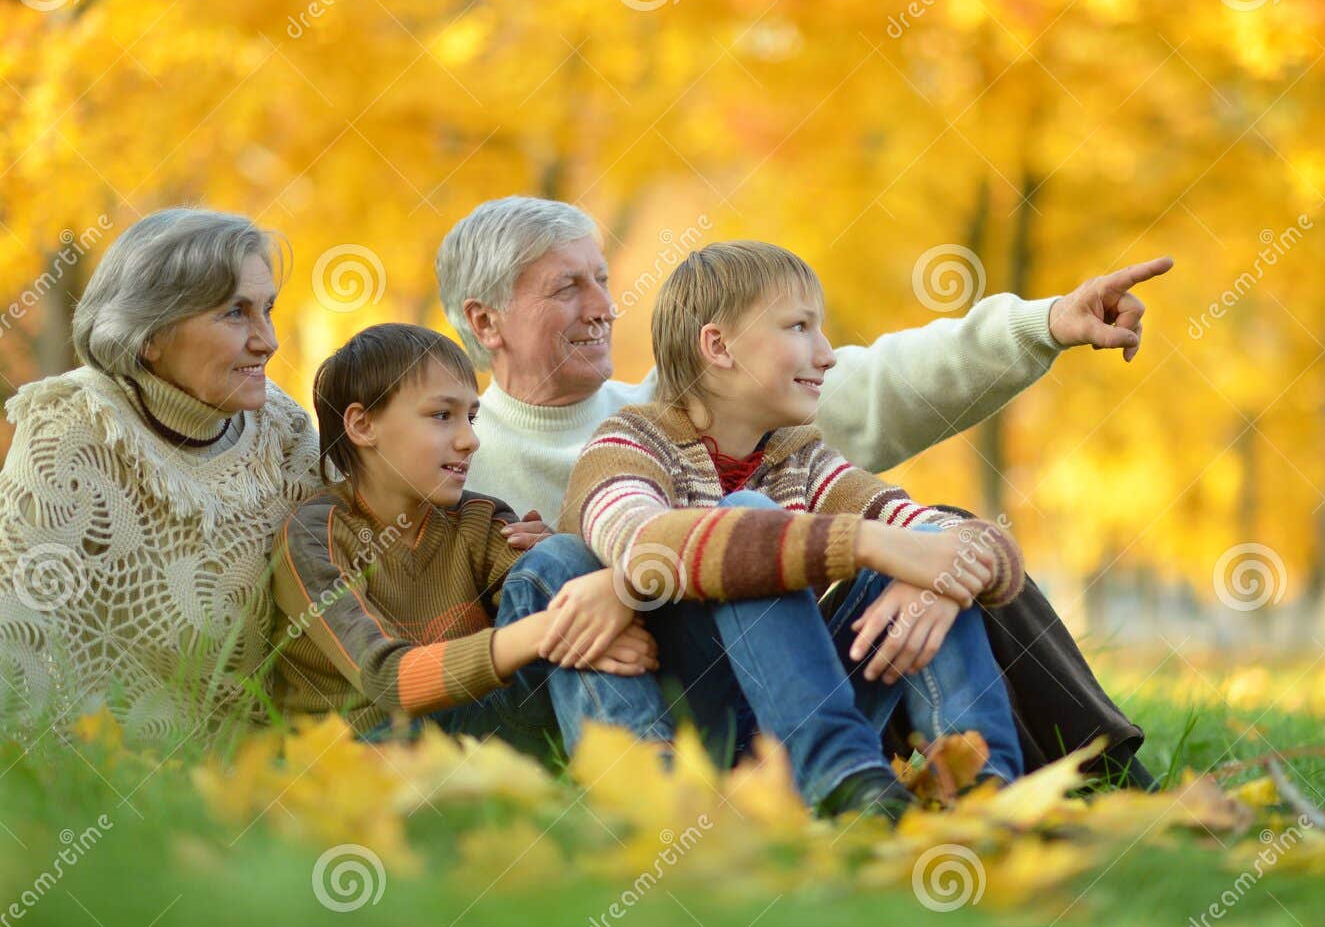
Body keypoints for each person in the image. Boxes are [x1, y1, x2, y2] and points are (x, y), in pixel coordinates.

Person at [438, 196, 1169, 786]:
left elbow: (887, 380)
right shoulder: (451, 458)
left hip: (774, 679)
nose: (605, 304)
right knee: (709, 529)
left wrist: (1042, 324)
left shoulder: (702, 406)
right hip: (631, 700)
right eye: (570, 286)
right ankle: (729, 788)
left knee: (932, 533)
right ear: (484, 320)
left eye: (603, 277)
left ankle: (1035, 780)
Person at [503, 241, 1030, 821]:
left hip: (789, 709)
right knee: (753, 516)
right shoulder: (627, 444)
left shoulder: (800, 459)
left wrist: (932, 573)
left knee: (932, 552)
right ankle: (845, 781)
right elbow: (641, 545)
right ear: (718, 346)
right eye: (800, 326)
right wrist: (871, 543)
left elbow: (959, 538)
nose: (827, 355)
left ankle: (984, 790)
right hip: (696, 718)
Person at [0, 208, 322, 745]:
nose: (267, 340)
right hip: (114, 777)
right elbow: (19, 638)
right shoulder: (75, 426)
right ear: (149, 335)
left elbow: (360, 562)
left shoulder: (281, 427)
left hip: (275, 772)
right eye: (235, 313)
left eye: (267, 309)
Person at [269, 323, 654, 753]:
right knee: (573, 618)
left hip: (476, 733)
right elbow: (386, 679)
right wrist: (551, 629)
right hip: (369, 749)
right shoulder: (314, 538)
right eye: (441, 415)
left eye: (470, 417)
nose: (470, 440)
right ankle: (641, 775)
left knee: (561, 558)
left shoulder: (478, 519)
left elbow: (551, 591)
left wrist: (577, 577)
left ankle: (640, 767)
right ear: (362, 425)